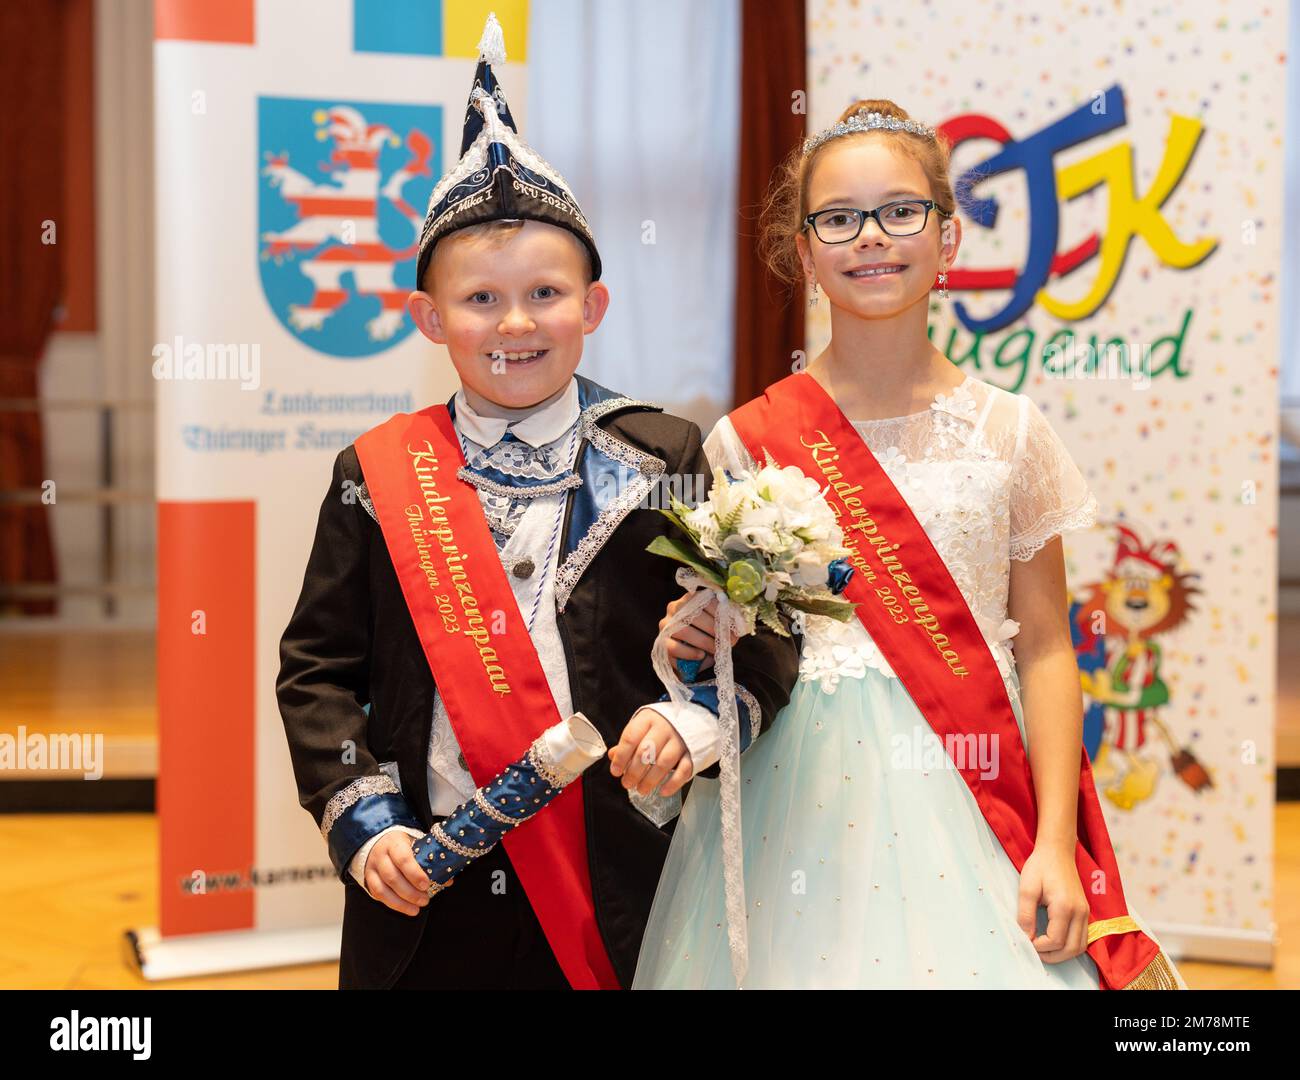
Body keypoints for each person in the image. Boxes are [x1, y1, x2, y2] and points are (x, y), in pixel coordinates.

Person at [276, 14, 799, 990]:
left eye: (547, 294)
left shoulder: (662, 454)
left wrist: (692, 722)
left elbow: (762, 631)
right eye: (479, 301)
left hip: (614, 876)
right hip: (427, 884)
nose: (515, 323)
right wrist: (359, 810)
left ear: (594, 307)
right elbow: (316, 669)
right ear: (429, 318)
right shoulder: (375, 471)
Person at [633, 99, 1185, 990]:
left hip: (974, 785)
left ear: (948, 239)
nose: (872, 239)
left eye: (901, 211)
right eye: (839, 219)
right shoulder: (746, 439)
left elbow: (1046, 648)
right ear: (805, 253)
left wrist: (1053, 841)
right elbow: (740, 644)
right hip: (797, 799)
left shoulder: (1010, 431)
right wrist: (693, 636)